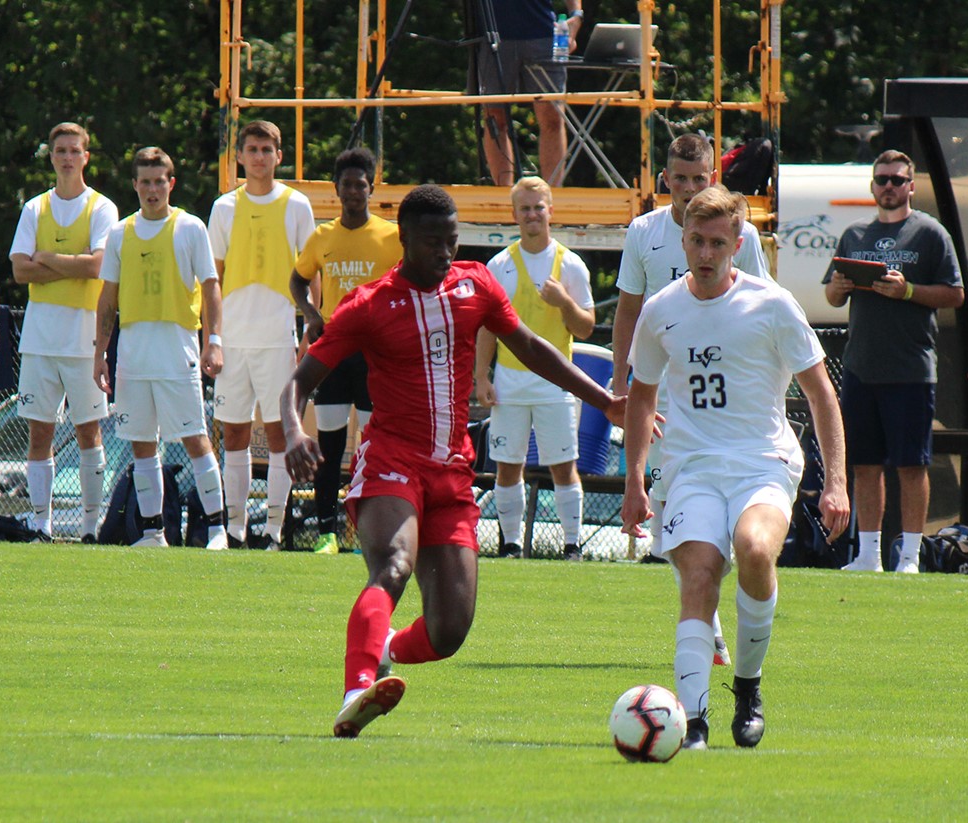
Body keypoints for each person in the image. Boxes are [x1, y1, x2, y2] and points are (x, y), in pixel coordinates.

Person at [279, 184, 628, 739]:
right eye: (433, 242)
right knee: (393, 565)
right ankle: (355, 690)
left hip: (453, 471)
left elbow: (531, 347)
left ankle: (384, 648)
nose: (445, 252)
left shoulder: (476, 284)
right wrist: (295, 430)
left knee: (449, 631)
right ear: (404, 239)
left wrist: (604, 400)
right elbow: (300, 381)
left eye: (452, 240)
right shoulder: (368, 304)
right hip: (392, 459)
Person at [621, 185, 849, 750]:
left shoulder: (772, 304)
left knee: (753, 548)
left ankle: (747, 687)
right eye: (696, 241)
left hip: (762, 462)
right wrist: (634, 481)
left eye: (717, 243)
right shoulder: (661, 310)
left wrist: (836, 483)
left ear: (738, 243)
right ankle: (692, 723)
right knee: (699, 575)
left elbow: (821, 394)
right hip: (691, 469)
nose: (705, 254)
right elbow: (641, 395)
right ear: (683, 239)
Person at [611, 133, 770, 666]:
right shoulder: (644, 232)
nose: (689, 188)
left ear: (713, 178)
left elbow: (764, 306)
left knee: (728, 510)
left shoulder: (741, 234)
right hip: (662, 391)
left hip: (724, 392)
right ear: (665, 180)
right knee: (670, 508)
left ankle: (719, 613)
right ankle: (711, 624)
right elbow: (629, 310)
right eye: (679, 179)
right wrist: (622, 385)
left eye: (699, 179)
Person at [823, 150, 964, 573]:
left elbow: (955, 294)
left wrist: (908, 291)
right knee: (865, 465)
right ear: (872, 186)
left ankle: (910, 557)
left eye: (897, 180)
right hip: (860, 367)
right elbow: (831, 295)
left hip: (910, 369)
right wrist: (840, 286)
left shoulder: (930, 233)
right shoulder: (854, 234)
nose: (889, 186)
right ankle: (868, 556)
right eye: (882, 179)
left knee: (911, 465)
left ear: (911, 186)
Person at [94, 147, 230, 550]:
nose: (152, 190)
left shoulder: (190, 227)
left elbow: (211, 287)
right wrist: (100, 353)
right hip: (134, 354)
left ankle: (218, 530)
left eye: (159, 182)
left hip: (177, 349)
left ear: (171, 184)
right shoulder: (120, 233)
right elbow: (108, 297)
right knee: (141, 443)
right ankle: (153, 533)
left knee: (194, 437)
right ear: (135, 185)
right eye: (145, 182)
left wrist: (214, 342)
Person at [474, 176, 595, 560]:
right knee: (507, 467)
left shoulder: (570, 265)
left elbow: (585, 327)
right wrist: (482, 375)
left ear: (550, 211)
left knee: (563, 465)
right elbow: (486, 327)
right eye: (524, 208)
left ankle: (572, 546)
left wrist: (564, 303)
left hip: (555, 384)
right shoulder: (499, 265)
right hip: (509, 382)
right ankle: (510, 545)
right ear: (514, 214)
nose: (532, 215)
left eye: (538, 208)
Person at [289, 147, 403, 555]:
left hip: (375, 356)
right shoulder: (323, 237)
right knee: (330, 447)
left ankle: (369, 534)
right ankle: (327, 534)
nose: (354, 191)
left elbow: (412, 280)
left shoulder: (391, 237)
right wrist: (311, 315)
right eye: (347, 185)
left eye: (361, 185)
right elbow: (297, 279)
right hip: (334, 355)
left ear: (372, 189)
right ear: (335, 189)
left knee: (374, 448)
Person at [9, 122, 119, 543]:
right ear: (51, 157)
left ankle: (90, 528)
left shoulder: (102, 208)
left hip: (83, 338)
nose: (68, 158)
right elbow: (20, 270)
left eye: (75, 150)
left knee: (88, 431)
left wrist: (47, 257)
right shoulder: (35, 208)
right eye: (61, 151)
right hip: (40, 338)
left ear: (86, 157)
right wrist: (72, 263)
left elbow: (98, 265)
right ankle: (41, 524)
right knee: (40, 432)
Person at [208, 121, 315, 551]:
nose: (258, 157)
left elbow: (311, 272)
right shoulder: (223, 207)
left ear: (279, 156)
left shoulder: (297, 204)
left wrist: (309, 330)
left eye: (266, 149)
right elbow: (212, 279)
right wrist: (213, 337)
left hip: (277, 338)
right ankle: (234, 530)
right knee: (233, 434)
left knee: (278, 435)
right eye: (251, 149)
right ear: (238, 156)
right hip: (233, 340)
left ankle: (272, 530)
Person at [476, 0, 584, 185]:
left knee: (552, 116)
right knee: (494, 117)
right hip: (493, 34)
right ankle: (503, 192)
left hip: (543, 33)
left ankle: (552, 193)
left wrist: (576, 15)